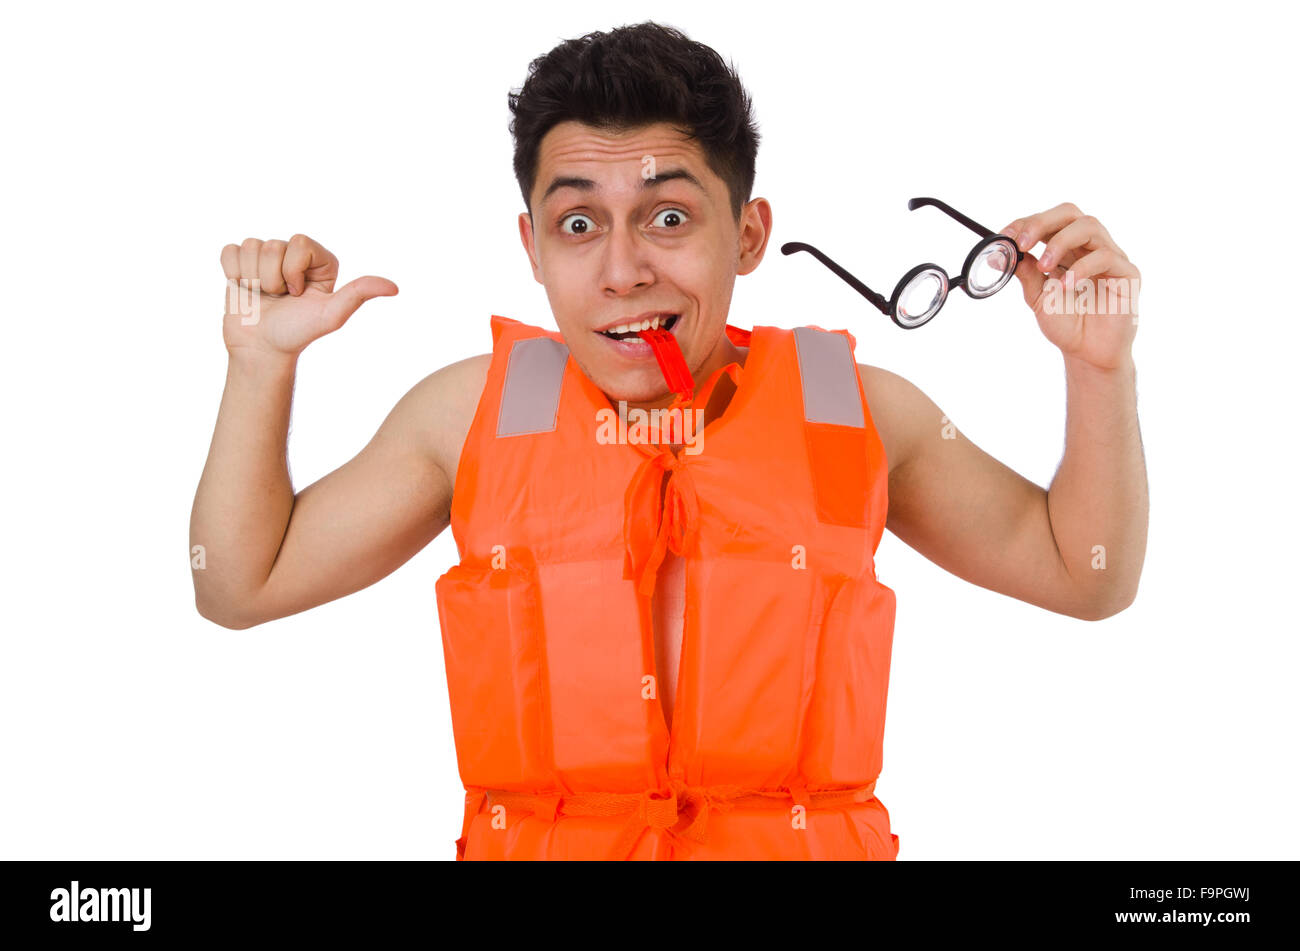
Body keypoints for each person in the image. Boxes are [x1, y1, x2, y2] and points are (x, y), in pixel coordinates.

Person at [190, 21, 1147, 860]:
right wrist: (258, 366)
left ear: (749, 233)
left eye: (670, 218)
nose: (621, 270)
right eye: (577, 224)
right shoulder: (465, 413)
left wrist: (1099, 369)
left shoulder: (862, 410)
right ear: (530, 246)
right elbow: (240, 583)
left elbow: (1085, 572)